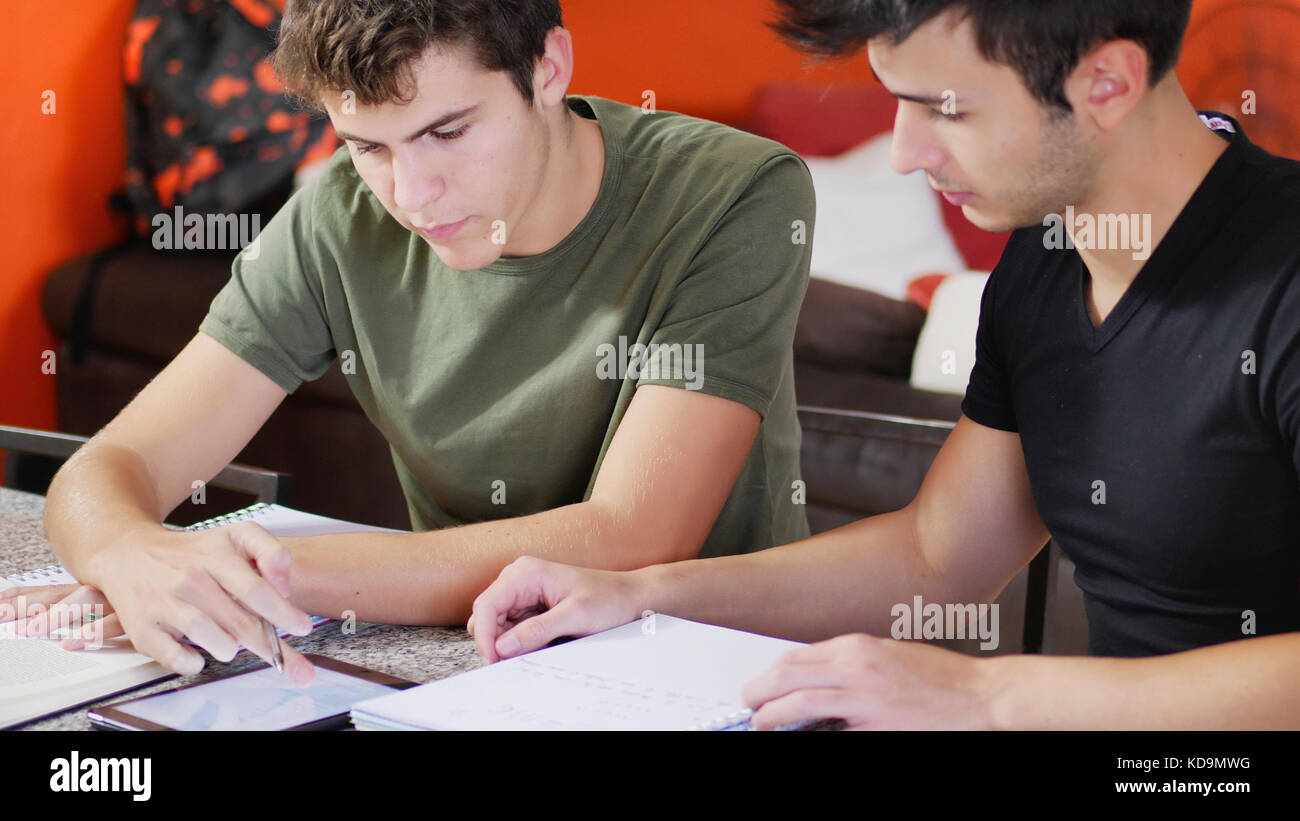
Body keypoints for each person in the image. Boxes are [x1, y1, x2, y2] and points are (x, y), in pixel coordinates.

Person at [467, 0, 1300, 729]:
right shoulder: (1044, 263)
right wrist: (643, 596)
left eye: (944, 109)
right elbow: (938, 559)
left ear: (1107, 84)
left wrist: (985, 696)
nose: (903, 151)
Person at [12, 0, 815, 684]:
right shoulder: (336, 216)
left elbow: (631, 536)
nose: (411, 196)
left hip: (713, 666)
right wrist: (130, 556)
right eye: (368, 146)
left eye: (447, 131)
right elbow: (110, 466)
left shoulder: (734, 194)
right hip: (463, 668)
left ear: (549, 68)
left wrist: (240, 577)